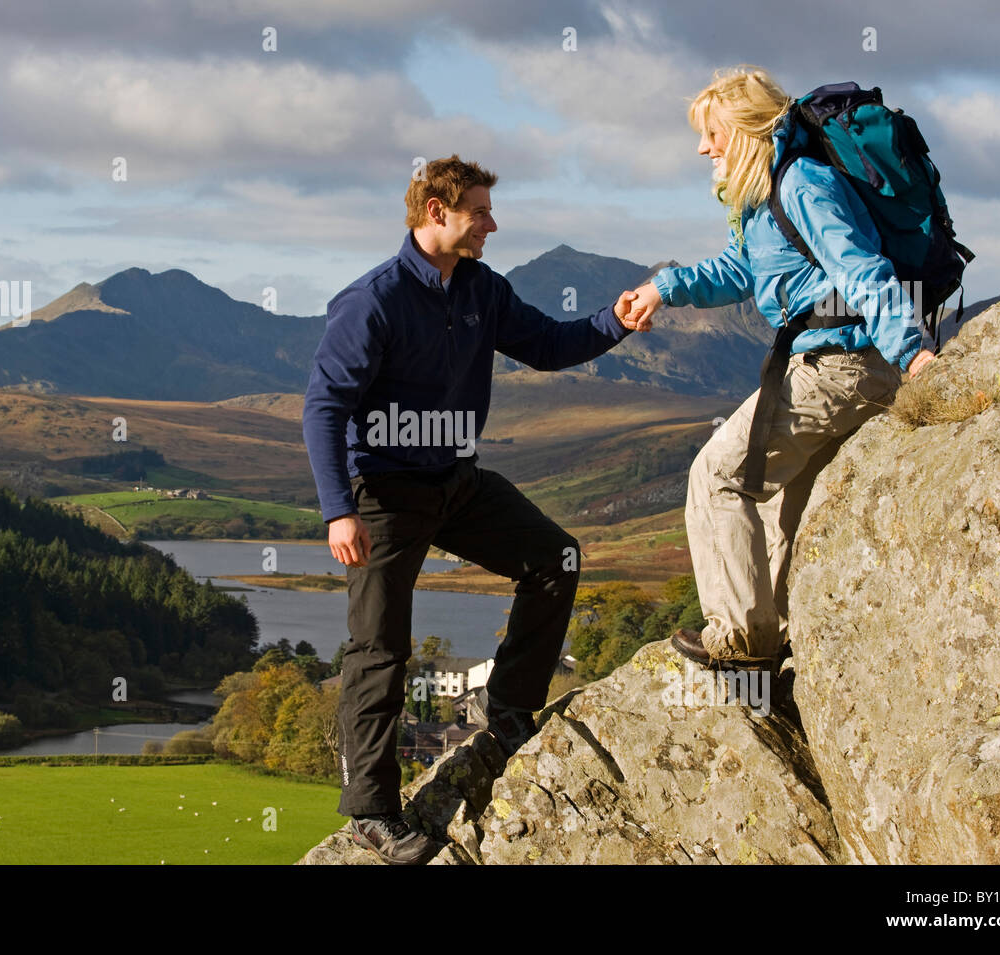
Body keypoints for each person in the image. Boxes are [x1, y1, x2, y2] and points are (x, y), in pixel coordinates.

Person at [303, 155, 643, 863]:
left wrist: (613, 320)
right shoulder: (373, 301)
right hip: (385, 497)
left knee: (556, 558)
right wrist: (339, 509)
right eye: (480, 211)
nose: (492, 223)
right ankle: (370, 808)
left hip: (456, 481)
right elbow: (324, 406)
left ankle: (508, 710)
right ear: (436, 211)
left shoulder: (482, 290)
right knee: (380, 648)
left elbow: (547, 344)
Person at [619, 66, 935, 671]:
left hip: (843, 363)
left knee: (715, 475)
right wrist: (665, 288)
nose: (703, 147)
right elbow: (742, 268)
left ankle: (742, 642)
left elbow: (861, 270)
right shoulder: (766, 197)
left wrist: (913, 353)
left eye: (712, 133)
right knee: (776, 505)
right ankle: (778, 650)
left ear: (745, 129)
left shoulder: (803, 184)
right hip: (836, 360)